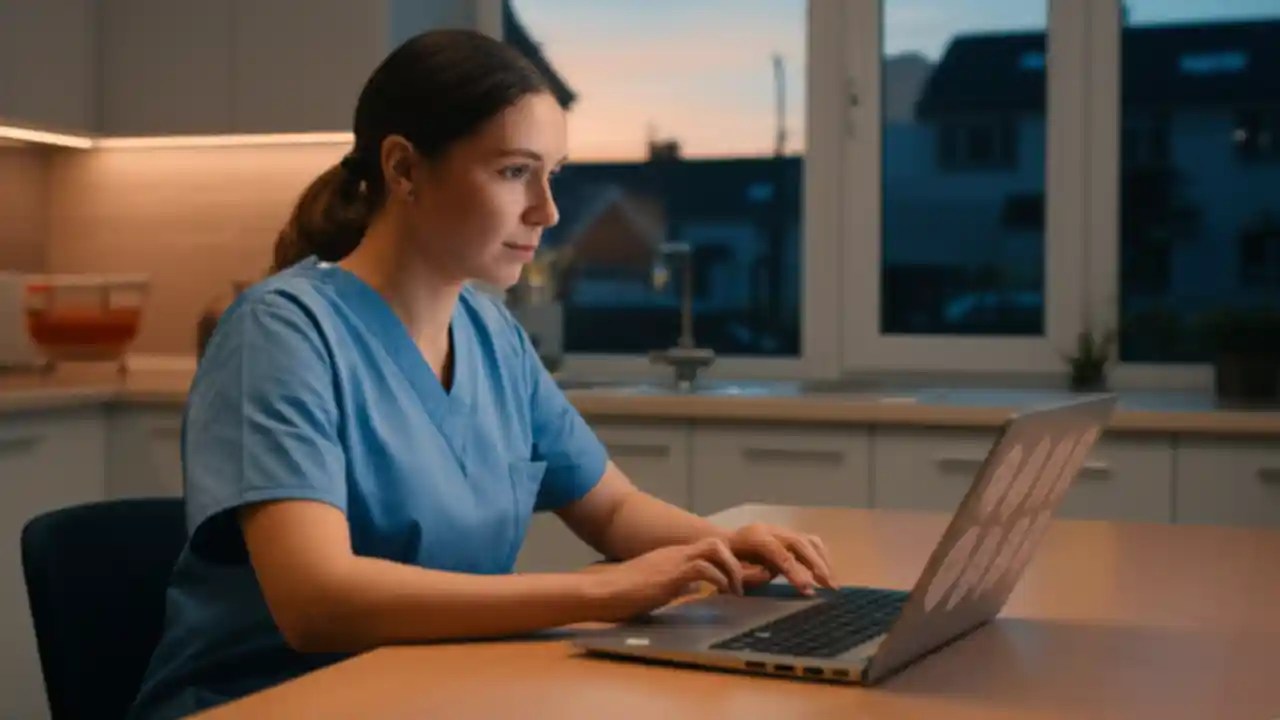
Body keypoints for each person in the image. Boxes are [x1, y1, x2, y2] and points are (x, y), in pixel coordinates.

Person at [128, 28, 836, 719]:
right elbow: (318, 603)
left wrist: (714, 547)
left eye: (551, 175)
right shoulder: (279, 332)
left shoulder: (492, 334)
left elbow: (614, 509)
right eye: (512, 172)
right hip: (271, 700)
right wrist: (601, 595)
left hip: (434, 688)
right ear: (403, 168)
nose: (548, 210)